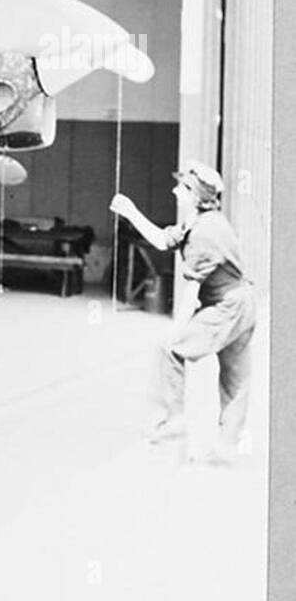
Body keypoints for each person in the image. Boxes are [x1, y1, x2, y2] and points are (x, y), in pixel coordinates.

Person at [110, 161, 257, 462]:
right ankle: (227, 447)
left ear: (195, 194)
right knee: (235, 379)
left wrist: (176, 331)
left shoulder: (204, 234)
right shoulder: (201, 220)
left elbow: (190, 293)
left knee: (170, 350)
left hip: (227, 306)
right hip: (243, 303)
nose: (175, 191)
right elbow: (164, 241)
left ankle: (175, 421)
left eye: (182, 187)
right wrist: (131, 212)